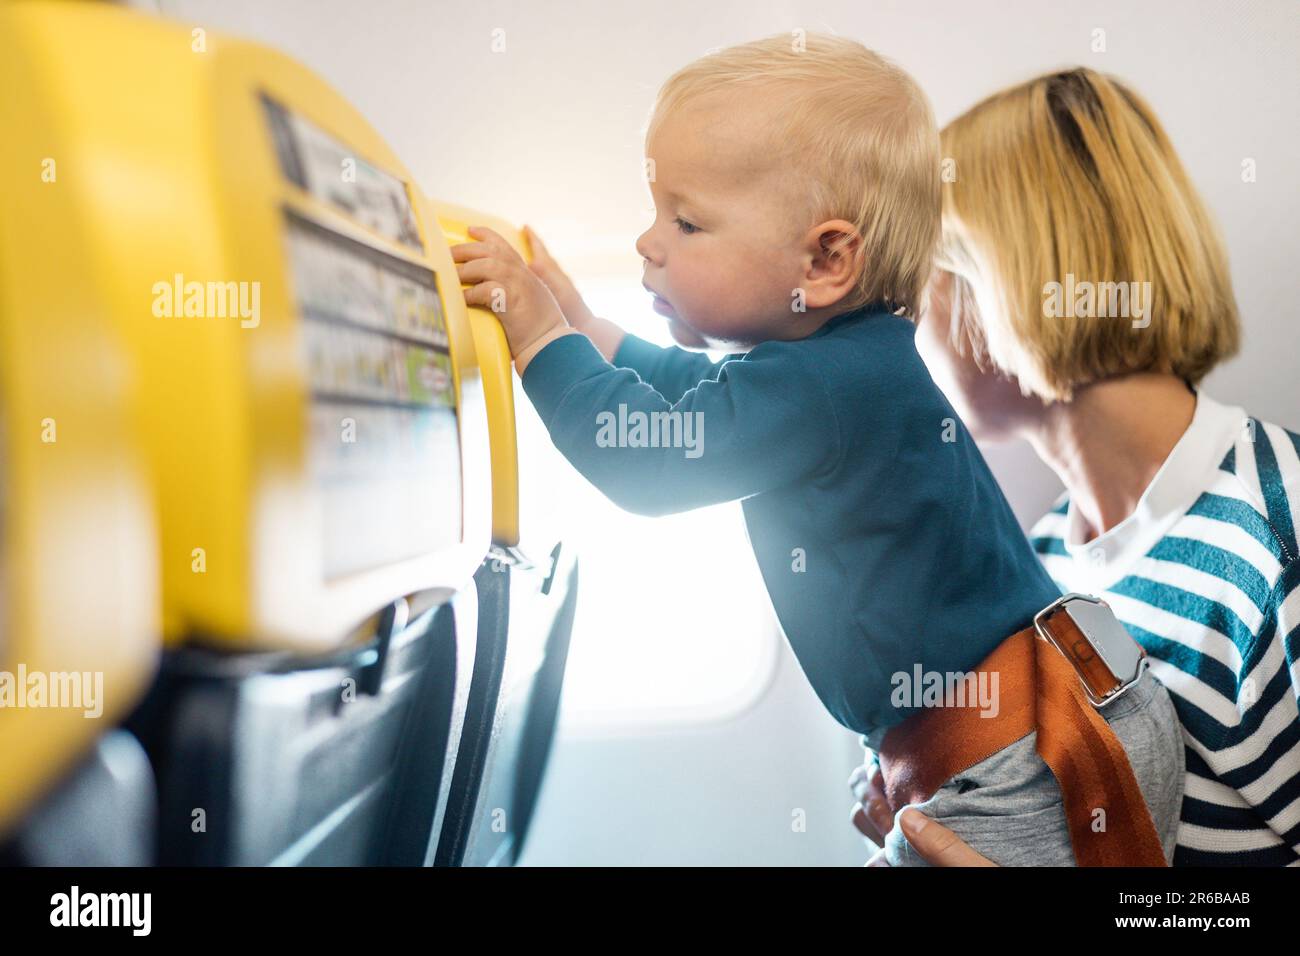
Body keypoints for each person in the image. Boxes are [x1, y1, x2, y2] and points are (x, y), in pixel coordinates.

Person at [452, 34, 1183, 865]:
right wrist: (586, 327)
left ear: (827, 259)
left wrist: (541, 335)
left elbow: (651, 460)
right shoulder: (837, 368)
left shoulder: (830, 385)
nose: (649, 243)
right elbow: (695, 396)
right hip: (1053, 710)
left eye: (687, 221)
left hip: (1024, 758)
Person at [851, 67, 1300, 866]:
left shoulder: (1277, 536)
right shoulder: (1045, 556)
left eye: (924, 288)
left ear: (1004, 288)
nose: (912, 331)